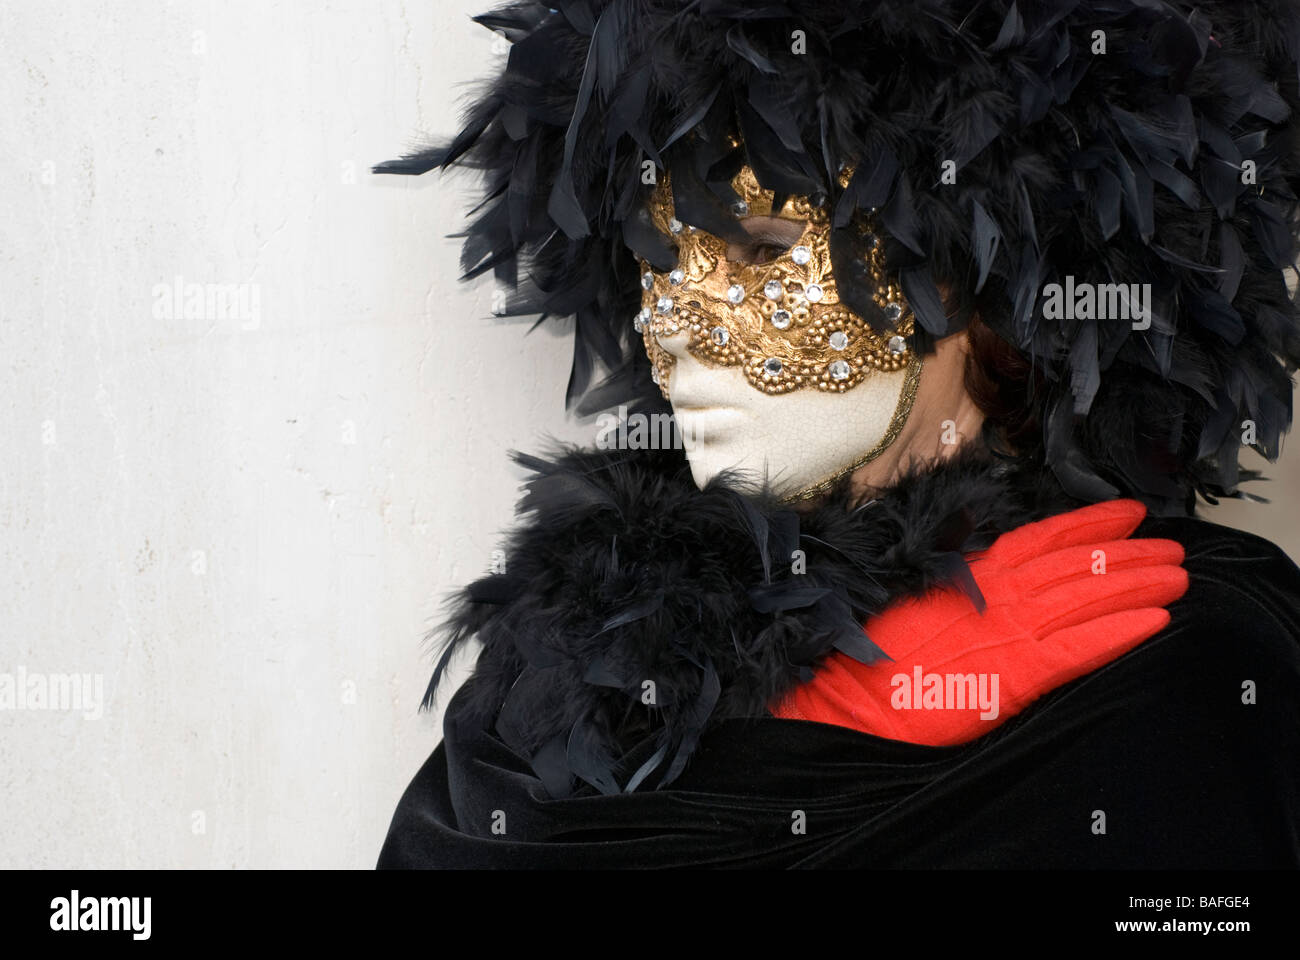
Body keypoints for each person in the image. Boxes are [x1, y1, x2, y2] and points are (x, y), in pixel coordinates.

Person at [374, 0, 1300, 867]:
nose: (681, 322)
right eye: (657, 257)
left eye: (764, 246)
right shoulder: (579, 635)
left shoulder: (1169, 657)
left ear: (975, 290)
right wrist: (813, 735)